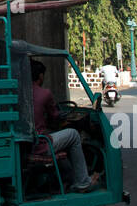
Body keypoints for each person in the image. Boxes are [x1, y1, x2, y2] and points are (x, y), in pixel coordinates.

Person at [30, 60, 100, 193]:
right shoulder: (45, 93)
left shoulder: (21, 93)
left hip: (28, 142)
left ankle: (67, 177)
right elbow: (55, 116)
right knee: (73, 134)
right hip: (40, 144)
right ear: (40, 76)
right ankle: (83, 182)